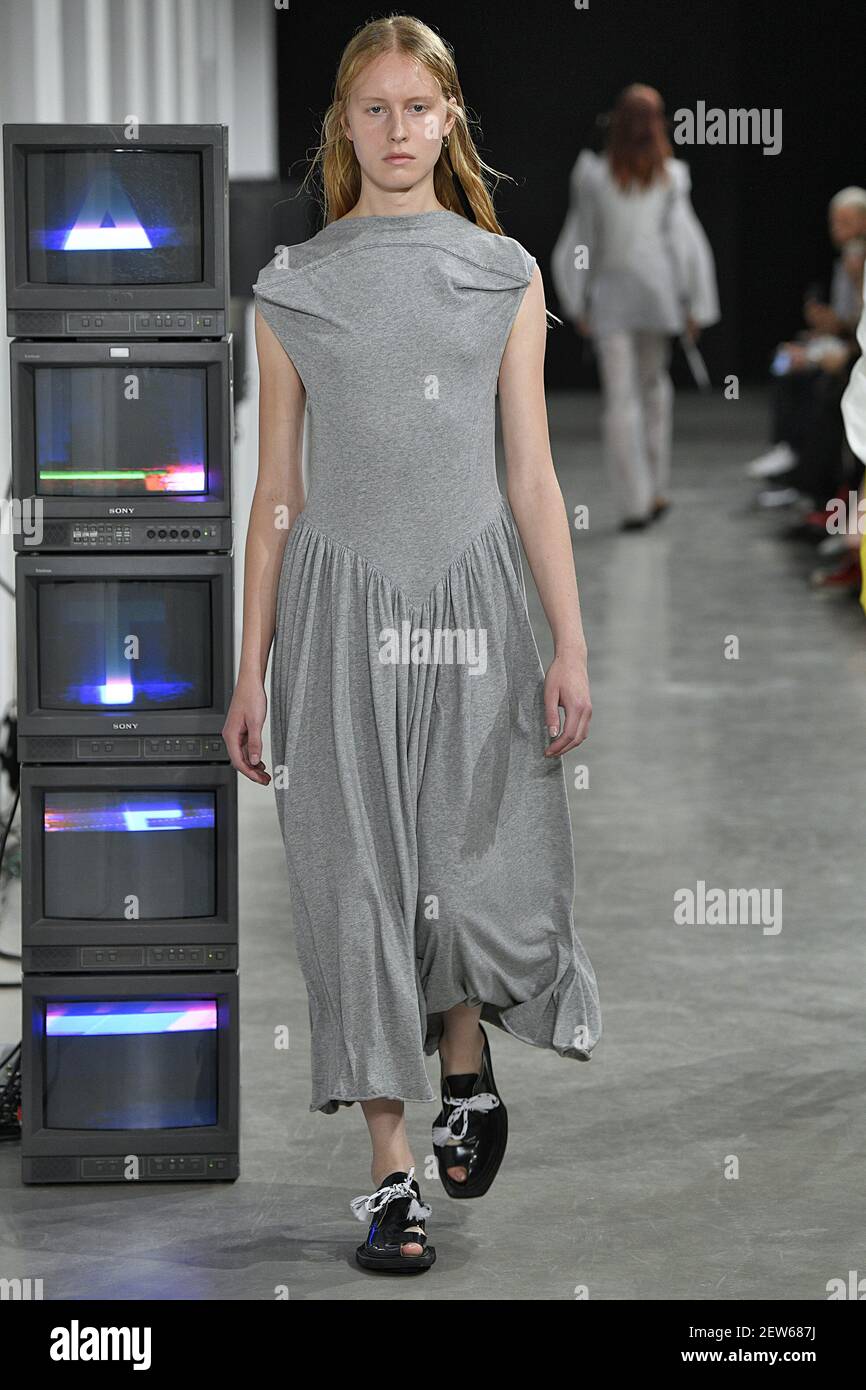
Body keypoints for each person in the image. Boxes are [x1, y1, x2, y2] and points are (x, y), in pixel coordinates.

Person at [222, 14, 601, 1274]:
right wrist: (248, 664)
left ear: (450, 120)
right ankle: (390, 1175)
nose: (394, 131)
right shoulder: (290, 286)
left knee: (461, 857)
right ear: (343, 123)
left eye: (416, 108)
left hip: (471, 600)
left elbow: (533, 477)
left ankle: (465, 1057)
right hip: (335, 612)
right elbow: (276, 489)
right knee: (352, 881)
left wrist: (569, 643)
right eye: (371, 109)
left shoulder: (502, 276)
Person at [551, 84, 719, 530]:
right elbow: (684, 244)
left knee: (622, 400)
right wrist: (694, 303)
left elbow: (581, 239)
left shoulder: (592, 174)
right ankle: (655, 489)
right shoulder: (672, 176)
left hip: (611, 298)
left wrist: (576, 297)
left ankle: (636, 502)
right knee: (654, 392)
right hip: (659, 296)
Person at [747, 187, 866, 491]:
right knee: (785, 360)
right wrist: (826, 327)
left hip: (853, 355)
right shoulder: (846, 262)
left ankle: (819, 487)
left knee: (825, 386)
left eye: (845, 222)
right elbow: (850, 323)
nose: (837, 230)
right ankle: (790, 453)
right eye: (833, 223)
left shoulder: (857, 264)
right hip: (846, 347)